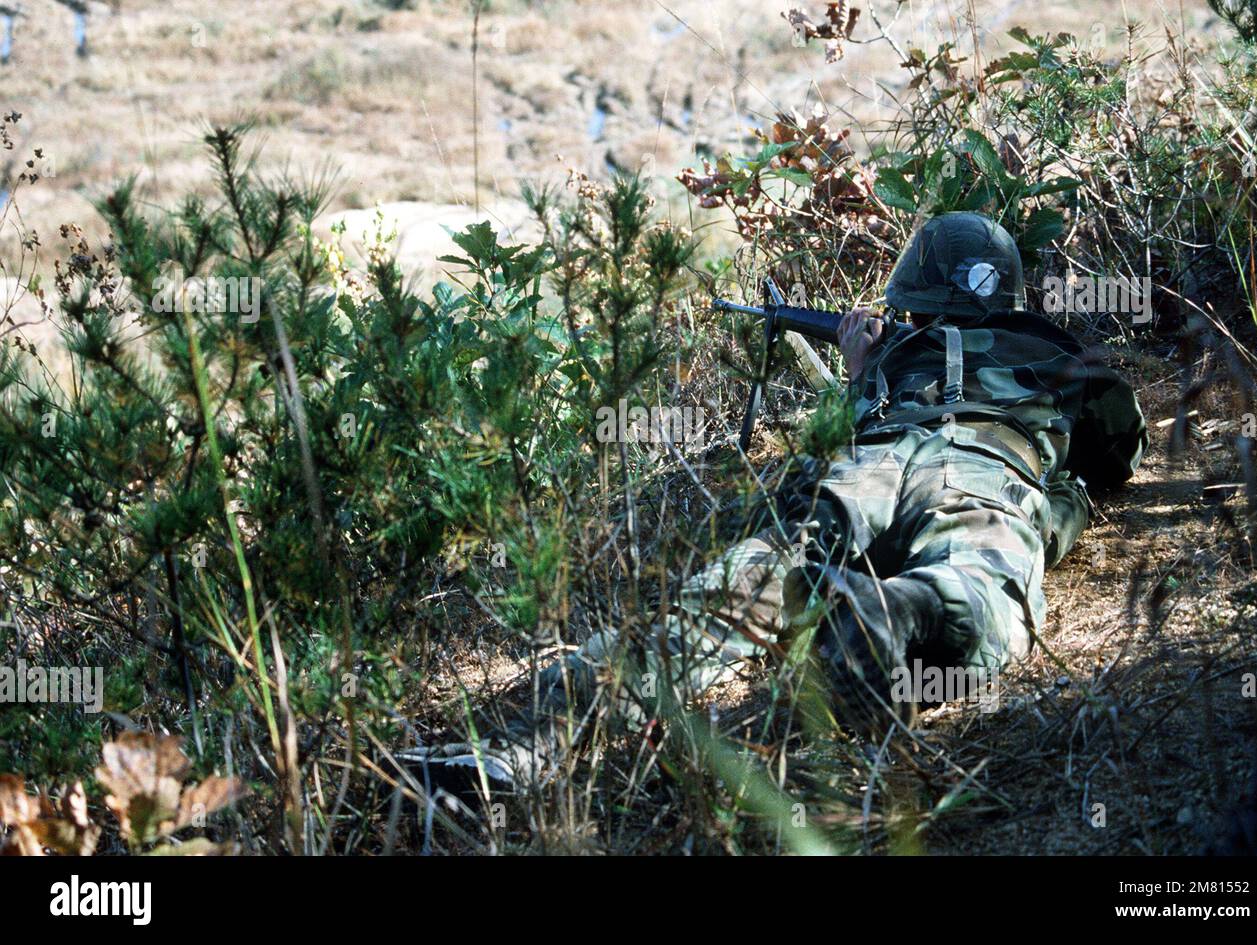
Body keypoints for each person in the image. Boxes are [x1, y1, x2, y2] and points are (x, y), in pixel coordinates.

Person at [405, 211, 1147, 792]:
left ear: (914, 293)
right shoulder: (1055, 354)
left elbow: (835, 432)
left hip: (871, 468)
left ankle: (522, 747)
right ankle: (898, 611)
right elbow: (1120, 453)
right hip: (985, 474)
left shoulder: (893, 353)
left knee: (739, 586)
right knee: (979, 590)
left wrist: (860, 370)